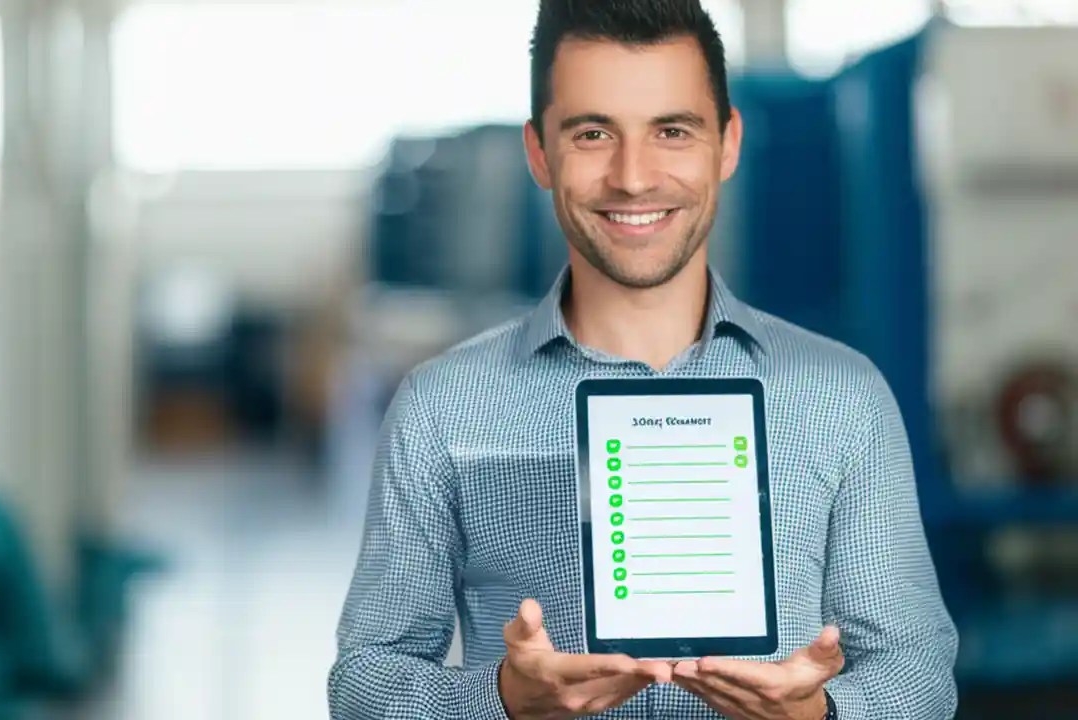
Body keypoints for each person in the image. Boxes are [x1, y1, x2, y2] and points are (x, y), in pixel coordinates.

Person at [328, 1, 958, 718]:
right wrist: (501, 700)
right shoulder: (443, 407)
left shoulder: (841, 397)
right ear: (539, 153)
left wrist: (820, 716)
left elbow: (919, 671)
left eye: (672, 131)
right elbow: (363, 682)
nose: (634, 177)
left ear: (727, 144)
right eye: (593, 133)